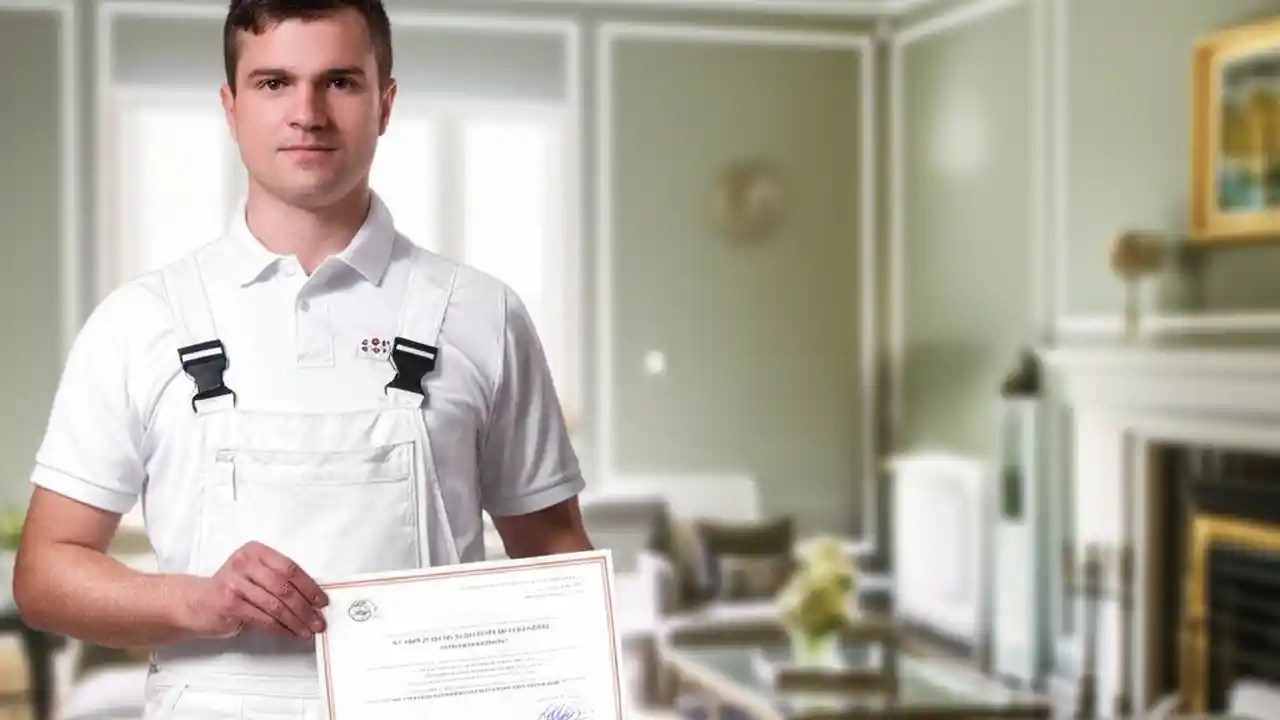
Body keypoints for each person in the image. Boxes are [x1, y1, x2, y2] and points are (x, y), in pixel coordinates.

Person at [13, 0, 592, 716]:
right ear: (231, 107)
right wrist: (200, 600)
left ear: (385, 103)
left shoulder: (481, 314)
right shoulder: (140, 322)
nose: (308, 112)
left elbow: (556, 557)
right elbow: (44, 573)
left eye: (340, 82)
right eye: (273, 83)